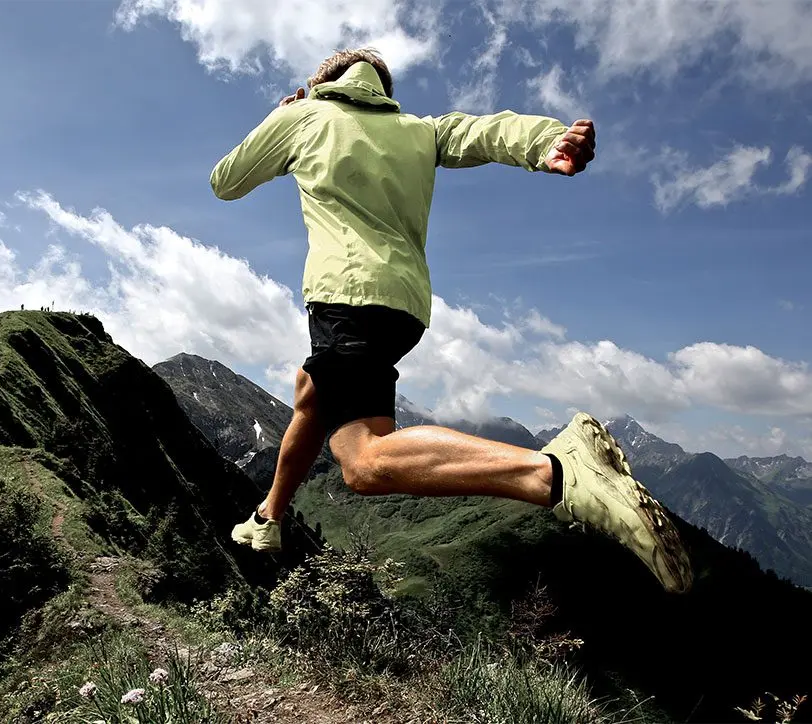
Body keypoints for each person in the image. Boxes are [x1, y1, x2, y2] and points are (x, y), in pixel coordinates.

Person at [211, 48, 692, 594]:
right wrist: (547, 142)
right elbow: (486, 131)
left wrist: (284, 114)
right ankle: (270, 516)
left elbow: (226, 180)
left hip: (346, 297)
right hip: (405, 307)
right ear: (382, 89)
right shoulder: (420, 130)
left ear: (320, 84)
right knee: (311, 391)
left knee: (362, 461)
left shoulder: (305, 116)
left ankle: (556, 473)